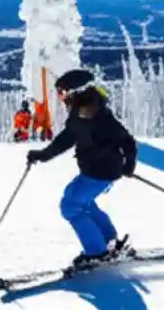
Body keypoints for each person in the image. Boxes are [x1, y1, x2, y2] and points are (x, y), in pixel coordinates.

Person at [26, 69, 137, 269]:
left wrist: (129, 164)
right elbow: (67, 138)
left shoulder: (96, 114)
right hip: (94, 170)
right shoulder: (82, 111)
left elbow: (126, 140)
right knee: (77, 199)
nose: (59, 97)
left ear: (73, 91)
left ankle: (96, 252)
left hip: (101, 171)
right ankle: (109, 240)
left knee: (70, 206)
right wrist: (43, 155)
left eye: (61, 92)